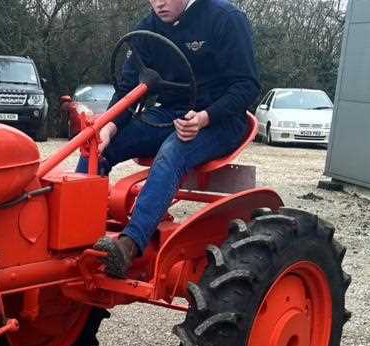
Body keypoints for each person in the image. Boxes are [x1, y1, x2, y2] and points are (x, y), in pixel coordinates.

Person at [81, 0, 259, 278]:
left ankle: (130, 245)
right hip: (171, 113)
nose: (158, 3)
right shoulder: (149, 28)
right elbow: (129, 89)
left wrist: (205, 117)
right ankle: (76, 230)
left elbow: (246, 86)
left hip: (221, 120)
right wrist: (108, 126)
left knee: (172, 152)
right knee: (96, 145)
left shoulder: (225, 18)